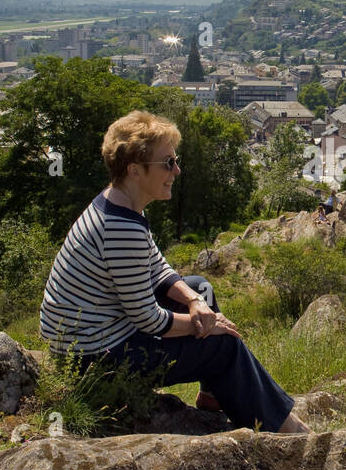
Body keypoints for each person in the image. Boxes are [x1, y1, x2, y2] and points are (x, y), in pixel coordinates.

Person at [39, 109, 310, 434]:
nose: (177, 170)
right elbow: (148, 320)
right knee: (224, 344)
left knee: (201, 286)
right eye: (167, 163)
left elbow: (158, 268)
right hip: (95, 360)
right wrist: (208, 325)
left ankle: (214, 394)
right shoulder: (121, 228)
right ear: (135, 170)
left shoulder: (118, 205)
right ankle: (281, 428)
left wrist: (196, 302)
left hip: (94, 339)